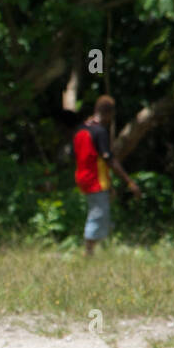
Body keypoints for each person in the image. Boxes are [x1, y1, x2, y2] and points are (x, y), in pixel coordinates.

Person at [73, 95, 141, 256]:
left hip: (82, 176)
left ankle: (97, 245)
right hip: (95, 179)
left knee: (101, 209)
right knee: (98, 213)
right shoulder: (100, 131)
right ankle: (88, 251)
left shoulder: (81, 129)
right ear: (109, 114)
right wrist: (129, 181)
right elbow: (109, 160)